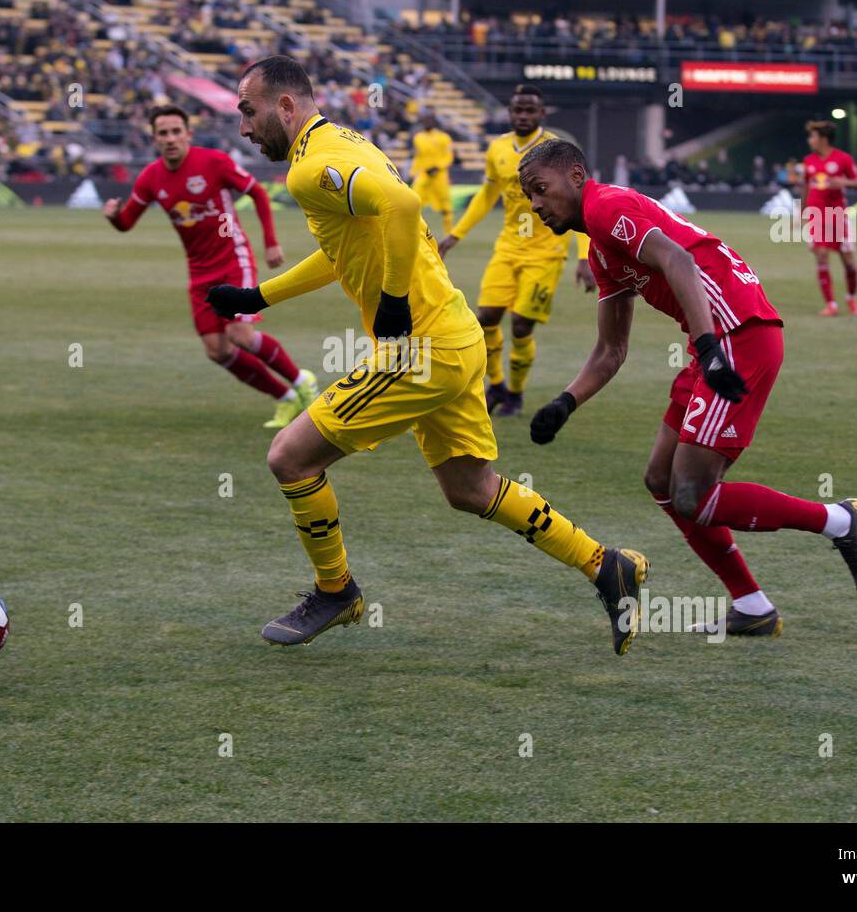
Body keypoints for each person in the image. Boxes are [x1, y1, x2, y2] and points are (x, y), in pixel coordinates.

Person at [207, 56, 650, 654]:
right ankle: (606, 564)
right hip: (456, 334)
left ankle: (336, 590)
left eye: (248, 110)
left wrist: (391, 303)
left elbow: (404, 208)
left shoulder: (310, 169)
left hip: (419, 350)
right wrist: (259, 294)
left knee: (290, 458)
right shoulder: (345, 142)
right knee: (470, 488)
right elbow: (348, 245)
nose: (244, 127)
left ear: (285, 106)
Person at [518, 139, 857, 638]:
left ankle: (840, 521)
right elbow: (611, 350)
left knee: (691, 492)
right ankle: (753, 606)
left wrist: (711, 349)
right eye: (528, 197)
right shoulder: (600, 246)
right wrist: (565, 403)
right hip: (713, 340)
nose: (536, 205)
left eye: (540, 189)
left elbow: (681, 263)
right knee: (661, 480)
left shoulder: (607, 207)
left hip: (737, 334)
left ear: (576, 175)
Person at [104, 104, 316, 428]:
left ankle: (302, 382)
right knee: (217, 351)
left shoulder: (213, 162)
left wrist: (270, 241)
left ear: (188, 134)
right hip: (199, 272)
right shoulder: (150, 178)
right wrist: (114, 217)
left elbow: (257, 193)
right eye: (163, 133)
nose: (171, 138)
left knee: (241, 335)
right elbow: (127, 222)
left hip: (233, 258)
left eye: (177, 131)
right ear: (154, 139)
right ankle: (286, 399)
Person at [438, 85, 591, 417]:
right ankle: (496, 385)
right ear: (510, 112)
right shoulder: (498, 148)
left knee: (521, 325)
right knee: (487, 318)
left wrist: (584, 256)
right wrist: (455, 235)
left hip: (546, 252)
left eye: (530, 110)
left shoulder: (558, 151)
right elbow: (487, 195)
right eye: (518, 110)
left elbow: (583, 199)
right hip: (508, 248)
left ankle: (515, 394)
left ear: (541, 113)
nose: (523, 116)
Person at [794, 120, 857, 315]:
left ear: (823, 139)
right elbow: (806, 187)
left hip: (837, 215)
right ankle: (831, 305)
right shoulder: (809, 161)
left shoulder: (843, 159)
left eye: (813, 136)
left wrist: (844, 182)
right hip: (817, 215)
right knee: (821, 256)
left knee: (849, 262)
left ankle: (851, 298)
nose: (810, 140)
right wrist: (802, 211)